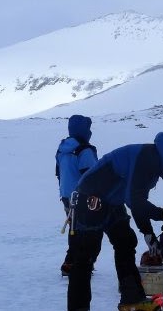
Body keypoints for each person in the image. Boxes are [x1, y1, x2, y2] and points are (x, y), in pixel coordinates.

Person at [66, 132, 163, 311]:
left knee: (126, 241)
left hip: (111, 202)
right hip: (90, 196)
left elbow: (137, 202)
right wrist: (160, 214)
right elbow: (135, 201)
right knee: (86, 255)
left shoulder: (154, 163)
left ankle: (132, 299)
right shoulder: (150, 159)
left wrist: (148, 233)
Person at [57, 114, 99, 276]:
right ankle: (78, 263)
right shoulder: (85, 150)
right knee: (89, 230)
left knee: (74, 228)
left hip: (67, 195)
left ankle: (72, 262)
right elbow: (91, 176)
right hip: (84, 196)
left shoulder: (62, 149)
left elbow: (58, 171)